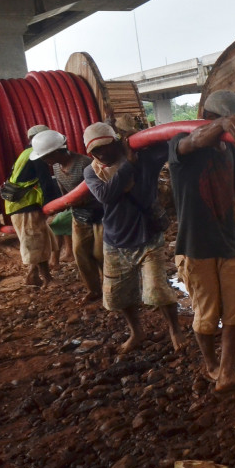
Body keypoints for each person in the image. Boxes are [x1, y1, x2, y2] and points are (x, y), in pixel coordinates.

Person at [168, 90, 235, 392]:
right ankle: (211, 365)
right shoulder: (179, 143)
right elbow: (196, 140)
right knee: (206, 314)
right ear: (210, 119)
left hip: (228, 243)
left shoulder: (227, 152)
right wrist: (222, 125)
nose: (234, 132)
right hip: (195, 247)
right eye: (230, 124)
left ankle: (227, 372)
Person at [82, 121, 183, 353]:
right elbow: (106, 195)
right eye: (95, 151)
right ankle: (136, 331)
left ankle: (174, 329)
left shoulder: (145, 160)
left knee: (158, 290)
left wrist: (143, 139)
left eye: (106, 146)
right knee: (118, 294)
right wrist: (128, 164)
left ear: (117, 142)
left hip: (148, 236)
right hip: (115, 241)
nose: (102, 154)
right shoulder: (92, 171)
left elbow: (170, 144)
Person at [31, 130, 104, 302]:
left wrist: (78, 201)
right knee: (81, 254)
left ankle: (111, 288)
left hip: (98, 215)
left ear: (55, 152)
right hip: (78, 216)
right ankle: (94, 289)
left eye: (45, 156)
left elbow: (99, 191)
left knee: (101, 254)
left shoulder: (85, 164)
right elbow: (65, 194)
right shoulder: (56, 167)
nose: (44, 161)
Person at [3, 124, 59, 286]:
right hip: (25, 205)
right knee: (35, 241)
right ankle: (47, 279)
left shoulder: (25, 154)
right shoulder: (36, 155)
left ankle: (32, 276)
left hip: (20, 205)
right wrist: (52, 206)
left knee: (38, 239)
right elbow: (46, 182)